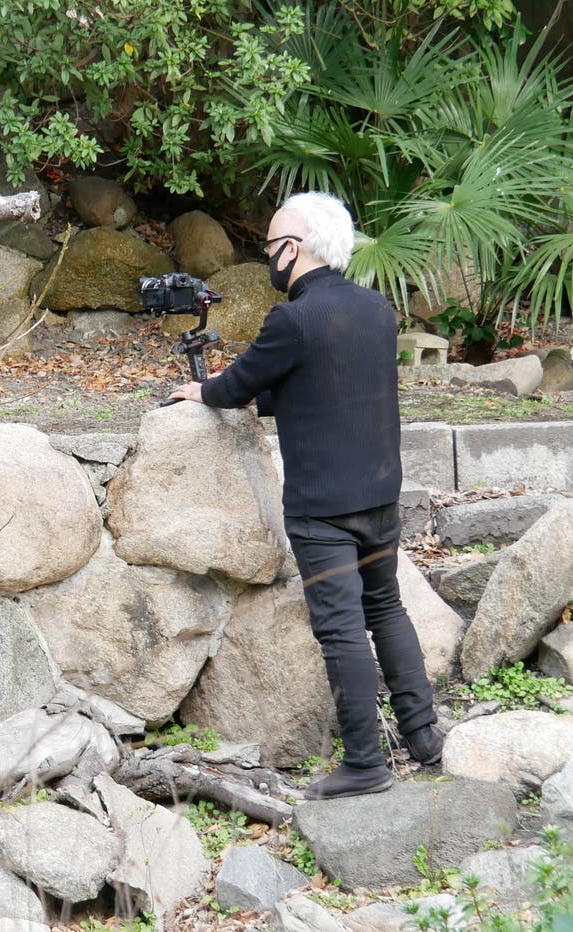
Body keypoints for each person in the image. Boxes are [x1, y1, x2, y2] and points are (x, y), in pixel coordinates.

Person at [170, 191, 443, 799]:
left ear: (293, 250)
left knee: (341, 629)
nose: (268, 255)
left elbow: (237, 385)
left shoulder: (292, 320)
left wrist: (202, 390)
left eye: (271, 245)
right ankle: (424, 737)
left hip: (323, 510)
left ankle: (366, 764)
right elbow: (322, 383)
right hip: (379, 496)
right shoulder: (375, 309)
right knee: (386, 609)